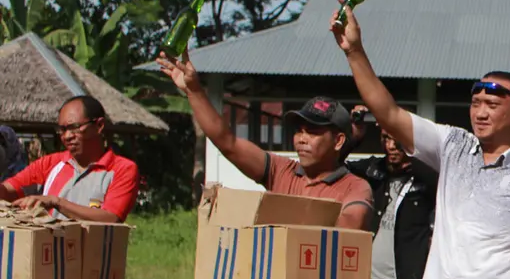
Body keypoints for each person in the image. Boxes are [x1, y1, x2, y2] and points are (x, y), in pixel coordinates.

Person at [330, 0, 510, 279]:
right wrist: (354, 51)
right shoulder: (453, 147)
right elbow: (388, 113)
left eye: (492, 105)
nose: (480, 113)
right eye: (475, 103)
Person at [156, 49, 373, 230]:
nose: (302, 139)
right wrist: (194, 90)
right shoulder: (281, 171)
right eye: (299, 131)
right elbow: (228, 143)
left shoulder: (355, 188)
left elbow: (349, 226)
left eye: (313, 132)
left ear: (338, 141)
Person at [0, 96, 140, 222]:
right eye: (62, 130)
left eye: (74, 127)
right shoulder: (49, 164)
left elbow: (110, 218)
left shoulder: (122, 169)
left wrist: (56, 202)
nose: (67, 136)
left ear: (99, 126)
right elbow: (8, 190)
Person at [346, 125, 438, 279]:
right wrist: (354, 138)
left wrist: (412, 151)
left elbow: (440, 178)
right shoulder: (374, 170)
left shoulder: (426, 179)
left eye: (397, 140)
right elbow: (336, 165)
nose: (390, 146)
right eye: (386, 138)